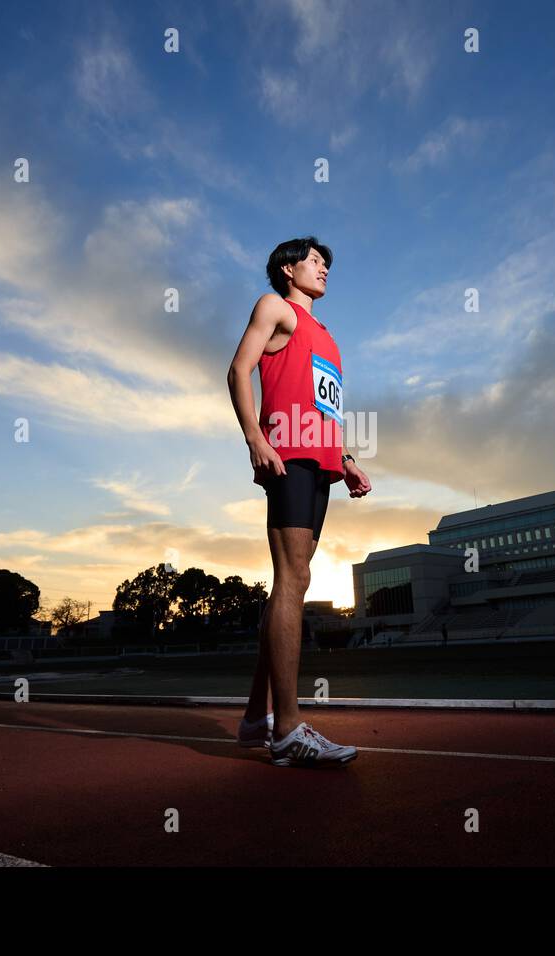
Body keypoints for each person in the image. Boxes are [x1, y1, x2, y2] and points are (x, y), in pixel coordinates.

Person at [227, 237, 371, 767]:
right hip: (286, 454)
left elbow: (320, 402)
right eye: (314, 261)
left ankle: (252, 719)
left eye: (327, 263)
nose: (324, 268)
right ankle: (286, 729)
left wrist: (347, 458)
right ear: (288, 269)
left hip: (321, 461)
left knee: (296, 579)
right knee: (292, 578)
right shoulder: (274, 307)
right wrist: (255, 439)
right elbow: (238, 369)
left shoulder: (326, 336)